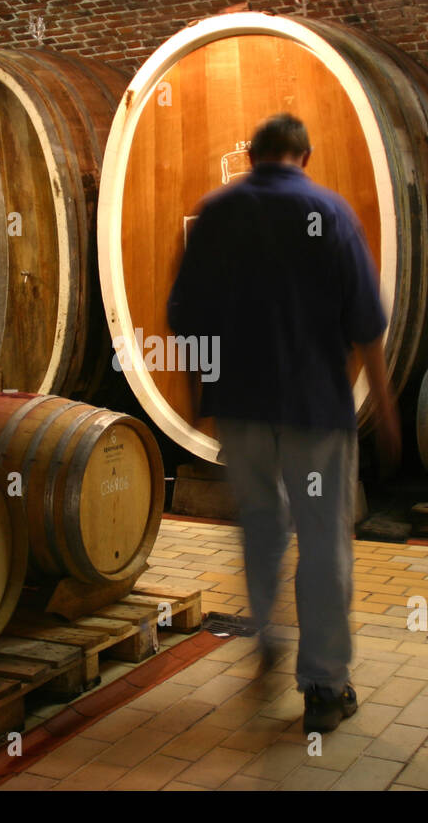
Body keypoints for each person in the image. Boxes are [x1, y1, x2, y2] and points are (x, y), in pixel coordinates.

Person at [167, 113, 402, 735]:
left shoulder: (215, 213)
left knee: (261, 526)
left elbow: (184, 316)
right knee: (324, 543)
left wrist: (202, 397)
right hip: (314, 410)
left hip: (241, 407)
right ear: (306, 153)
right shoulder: (329, 210)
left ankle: (266, 633)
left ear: (252, 155)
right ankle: (323, 687)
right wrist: (387, 410)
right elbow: (367, 326)